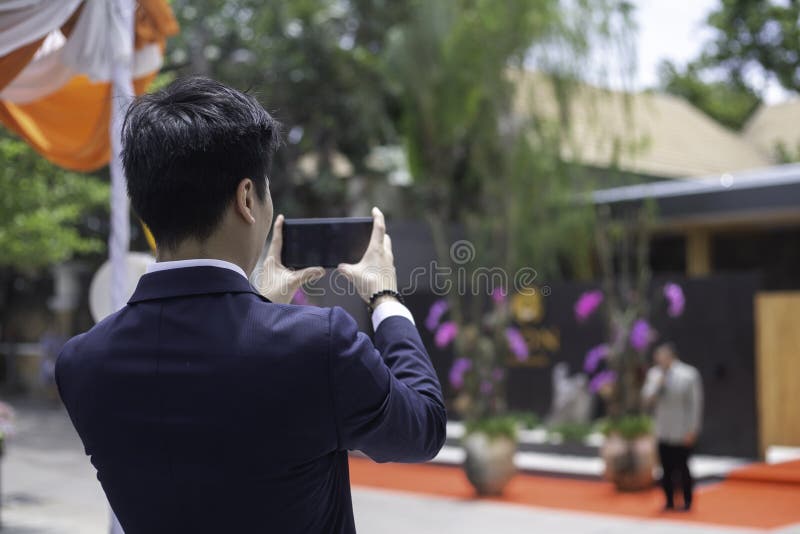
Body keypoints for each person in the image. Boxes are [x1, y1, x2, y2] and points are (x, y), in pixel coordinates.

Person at [55, 76, 447, 534]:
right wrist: (384, 296)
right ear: (246, 198)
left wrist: (259, 304)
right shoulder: (317, 343)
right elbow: (422, 426)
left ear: (145, 207)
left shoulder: (82, 363)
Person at [642, 342, 703, 512]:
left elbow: (695, 405)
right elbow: (647, 399)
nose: (661, 359)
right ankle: (669, 500)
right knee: (665, 468)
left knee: (683, 467)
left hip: (682, 429)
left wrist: (693, 429)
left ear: (671, 356)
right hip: (663, 430)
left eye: (663, 356)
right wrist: (658, 385)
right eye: (658, 356)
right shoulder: (654, 375)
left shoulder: (688, 374)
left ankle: (687, 501)